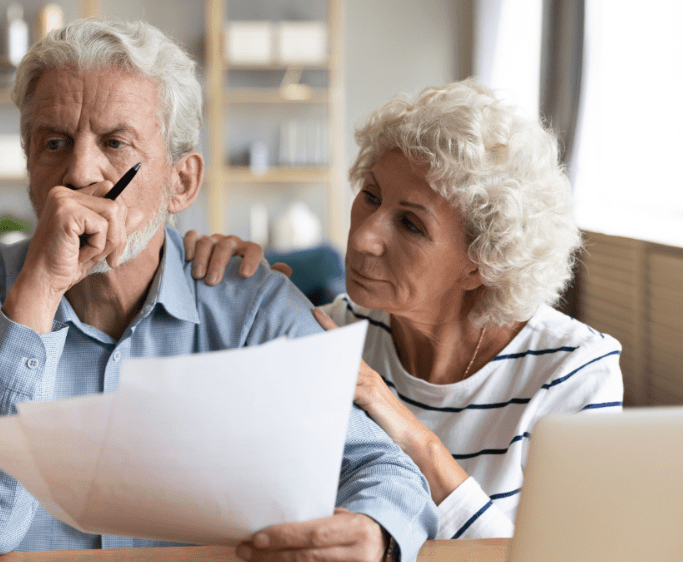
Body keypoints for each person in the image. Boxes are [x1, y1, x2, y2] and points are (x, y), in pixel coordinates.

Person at [0, 18, 438, 561]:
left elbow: (381, 469)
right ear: (30, 167)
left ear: (181, 182)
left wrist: (374, 531)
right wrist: (38, 291)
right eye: (54, 143)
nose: (79, 171)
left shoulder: (255, 309)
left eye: (115, 143)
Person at [185, 79, 624, 540]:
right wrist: (224, 296)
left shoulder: (575, 372)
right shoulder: (335, 329)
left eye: (411, 224)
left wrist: (412, 435)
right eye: (371, 196)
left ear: (481, 263)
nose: (362, 238)